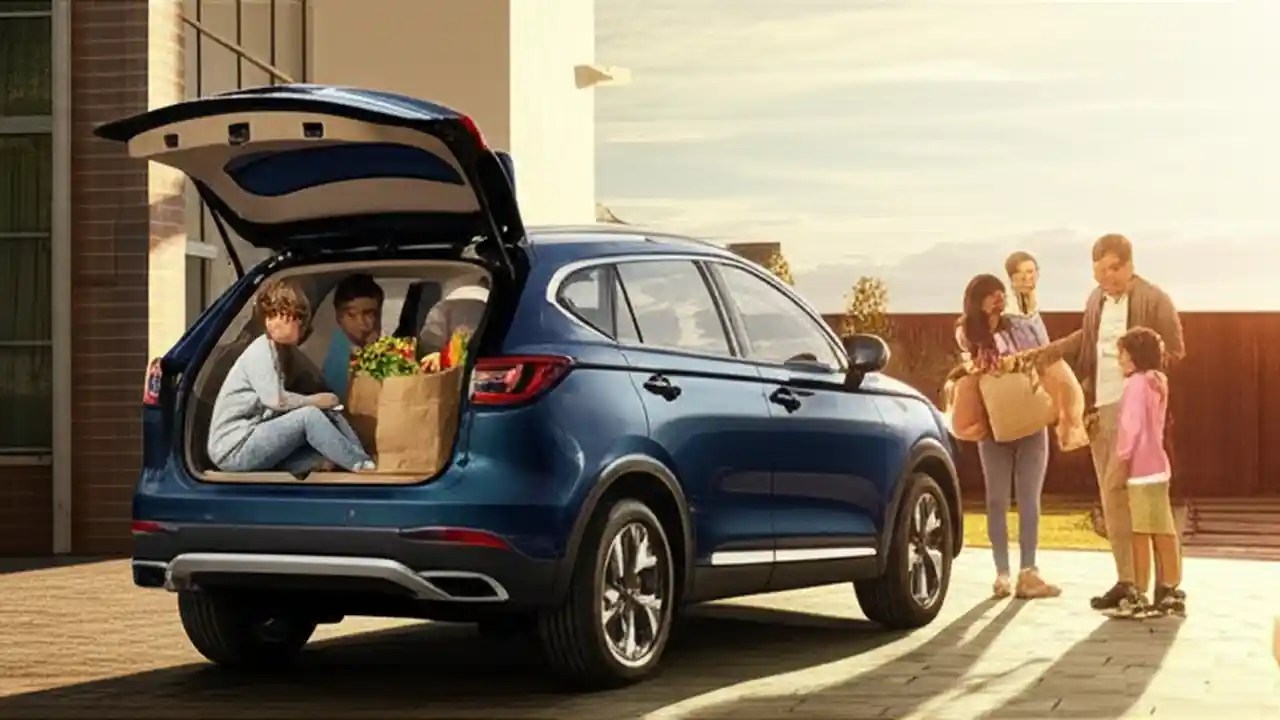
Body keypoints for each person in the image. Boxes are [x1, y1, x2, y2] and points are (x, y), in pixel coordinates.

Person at [1046, 234, 1185, 611]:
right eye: (1098, 272)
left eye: (1111, 270)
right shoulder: (1095, 300)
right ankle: (1128, 582)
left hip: (1138, 416)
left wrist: (1144, 384)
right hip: (1101, 408)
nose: (1104, 279)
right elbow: (1086, 339)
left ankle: (1167, 586)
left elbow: (1173, 349)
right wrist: (1048, 354)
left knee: (1149, 503)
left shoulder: (1154, 299)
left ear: (1127, 265)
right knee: (1113, 501)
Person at [955, 273, 1061, 600]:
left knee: (1029, 499)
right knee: (997, 499)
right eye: (990, 294)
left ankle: (1028, 572)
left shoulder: (1017, 325)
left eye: (1001, 292)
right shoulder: (967, 333)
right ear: (977, 300)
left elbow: (1042, 347)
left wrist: (1028, 305)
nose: (999, 298)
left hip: (1029, 420)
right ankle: (1002, 573)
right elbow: (974, 363)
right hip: (994, 427)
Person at [208, 278, 375, 475]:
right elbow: (276, 401)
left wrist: (325, 405)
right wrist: (314, 400)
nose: (301, 326)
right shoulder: (260, 352)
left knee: (328, 430)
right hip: (234, 448)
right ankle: (362, 466)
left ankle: (362, 456)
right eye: (296, 319)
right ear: (277, 317)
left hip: (256, 437)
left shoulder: (281, 353)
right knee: (309, 415)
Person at [1112, 326, 1185, 617]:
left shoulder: (1135, 385)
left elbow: (1131, 426)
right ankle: (1171, 588)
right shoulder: (1158, 381)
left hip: (1141, 470)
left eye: (1122, 354)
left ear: (1134, 356)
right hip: (1159, 467)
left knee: (1141, 532)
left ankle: (1139, 594)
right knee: (1164, 531)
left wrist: (1121, 456)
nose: (1119, 360)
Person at [322, 274, 385, 402]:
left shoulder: (374, 346)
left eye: (369, 314)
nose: (361, 323)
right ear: (339, 317)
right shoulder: (338, 359)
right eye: (351, 315)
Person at [418, 275, 489, 371]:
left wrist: (434, 352)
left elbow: (431, 338)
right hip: (482, 367)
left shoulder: (445, 305)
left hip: (450, 368)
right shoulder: (496, 308)